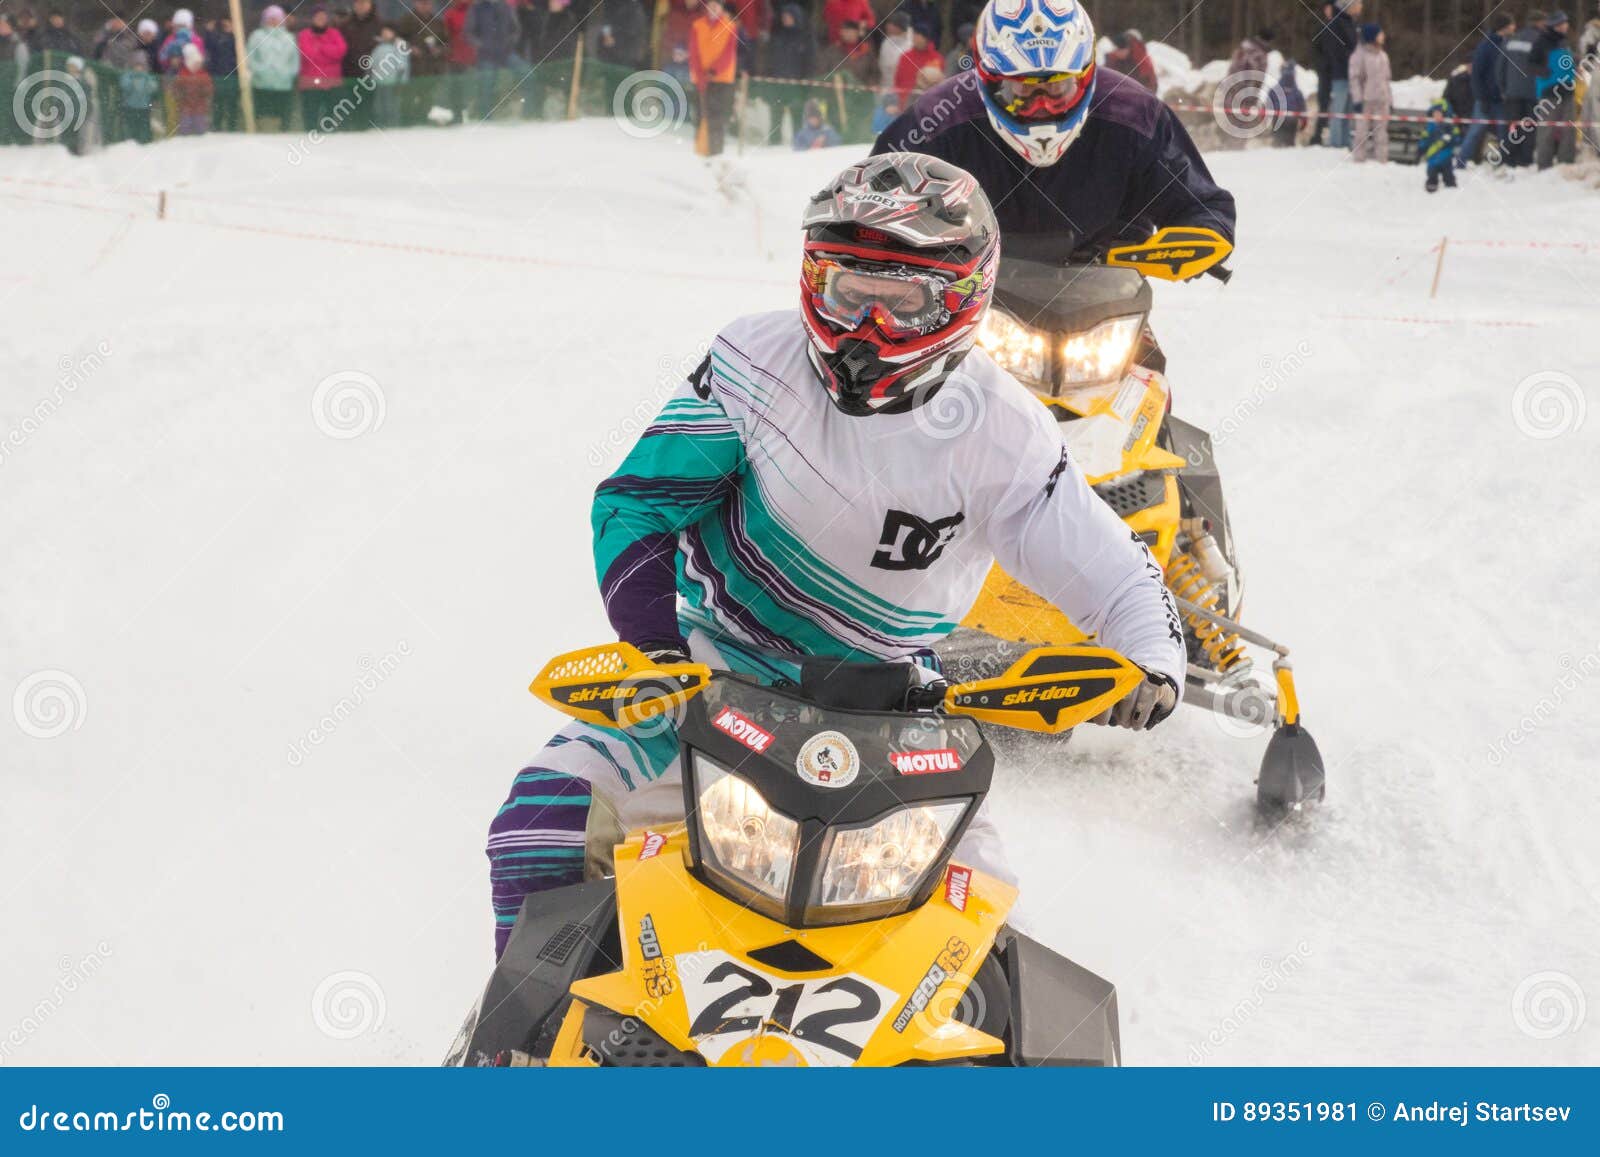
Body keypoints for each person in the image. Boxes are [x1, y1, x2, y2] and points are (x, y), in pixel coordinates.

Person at [484, 152, 1186, 956]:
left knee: (989, 956)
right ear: (813, 281)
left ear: (964, 299)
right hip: (716, 687)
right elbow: (638, 501)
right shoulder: (753, 361)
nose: (868, 331)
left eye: (902, 303)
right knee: (535, 828)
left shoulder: (1004, 428)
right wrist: (655, 650)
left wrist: (1154, 661)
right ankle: (516, 1066)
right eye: (849, 294)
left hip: (896, 721)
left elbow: (1112, 566)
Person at [873, 0, 1235, 260]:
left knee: (1147, 369)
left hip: (1107, 298)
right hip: (974, 301)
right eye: (1023, 91)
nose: (1041, 105)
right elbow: (876, 197)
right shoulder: (937, 120)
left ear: (1086, 77)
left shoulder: (1133, 115)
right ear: (987, 81)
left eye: (1058, 88)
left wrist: (1202, 232)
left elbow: (1199, 200)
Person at [1463, 13, 1515, 166]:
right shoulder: (1486, 46)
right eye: (1511, 24)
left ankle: (1502, 162)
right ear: (1504, 27)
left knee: (1503, 133)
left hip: (1501, 99)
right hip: (1486, 98)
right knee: (1475, 132)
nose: (1514, 27)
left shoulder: (1507, 45)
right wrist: (1481, 97)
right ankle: (1460, 162)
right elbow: (1477, 75)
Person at [689, 0, 738, 156]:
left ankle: (716, 152)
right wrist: (698, 73)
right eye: (710, 5)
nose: (713, 8)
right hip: (701, 78)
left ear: (721, 8)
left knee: (716, 118)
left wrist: (713, 71)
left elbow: (728, 55)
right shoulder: (697, 25)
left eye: (716, 5)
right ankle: (701, 150)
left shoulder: (730, 27)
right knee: (700, 115)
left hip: (721, 79)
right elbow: (694, 52)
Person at [1498, 11, 1546, 167]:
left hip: (1512, 92)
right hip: (1532, 92)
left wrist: (1504, 88)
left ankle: (1507, 159)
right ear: (1540, 23)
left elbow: (1500, 67)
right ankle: (1525, 160)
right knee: (1529, 127)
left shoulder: (1511, 40)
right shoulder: (1541, 40)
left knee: (1512, 127)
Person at [1533, 10, 1577, 167]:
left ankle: (1567, 162)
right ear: (1556, 26)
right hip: (1549, 92)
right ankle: (1544, 164)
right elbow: (1531, 64)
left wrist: (1576, 66)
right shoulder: (1541, 42)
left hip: (1568, 91)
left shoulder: (1565, 42)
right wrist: (1544, 72)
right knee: (1547, 129)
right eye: (1563, 23)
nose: (1566, 26)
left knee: (1568, 128)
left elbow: (1570, 61)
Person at [1314, 0, 1361, 148]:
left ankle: (1345, 141)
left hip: (1350, 74)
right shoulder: (1337, 24)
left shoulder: (1350, 23)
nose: (1360, 7)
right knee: (1338, 110)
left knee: (1347, 111)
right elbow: (1336, 51)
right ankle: (1335, 142)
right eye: (1358, 4)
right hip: (1339, 74)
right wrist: (1353, 60)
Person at [247, 6, 300, 131]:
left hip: (283, 85)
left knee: (283, 117)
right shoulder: (256, 36)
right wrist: (260, 71)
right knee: (263, 116)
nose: (273, 21)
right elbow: (249, 57)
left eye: (276, 18)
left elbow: (295, 60)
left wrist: (289, 74)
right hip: (261, 84)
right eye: (270, 18)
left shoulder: (289, 38)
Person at [467, 0, 522, 120]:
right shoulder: (476, 9)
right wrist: (482, 45)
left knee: (527, 74)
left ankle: (529, 112)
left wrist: (509, 43)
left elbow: (516, 30)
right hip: (486, 56)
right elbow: (469, 33)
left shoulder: (506, 7)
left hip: (506, 53)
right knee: (486, 86)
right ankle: (485, 118)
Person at [298, 5, 348, 129]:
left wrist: (321, 48)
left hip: (332, 82)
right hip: (310, 83)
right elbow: (308, 54)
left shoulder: (335, 33)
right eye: (318, 16)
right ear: (312, 19)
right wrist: (328, 52)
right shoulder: (304, 35)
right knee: (311, 114)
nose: (321, 19)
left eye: (323, 16)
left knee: (331, 114)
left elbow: (341, 51)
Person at [1348, 23, 1391, 163]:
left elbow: (1387, 80)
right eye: (1380, 34)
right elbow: (1354, 79)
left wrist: (1390, 100)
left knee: (1381, 134)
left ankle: (1381, 160)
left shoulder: (1383, 56)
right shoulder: (1360, 55)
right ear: (1372, 36)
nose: (1383, 36)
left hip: (1382, 100)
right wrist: (1357, 99)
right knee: (1361, 132)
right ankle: (1359, 159)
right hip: (1366, 101)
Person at [202, 16, 239, 132]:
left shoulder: (236, 37)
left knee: (232, 103)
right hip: (218, 75)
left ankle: (232, 126)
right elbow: (210, 47)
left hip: (233, 74)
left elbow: (237, 49)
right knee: (218, 102)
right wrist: (209, 32)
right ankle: (217, 126)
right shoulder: (217, 37)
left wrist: (233, 33)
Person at [369, 24, 409, 126]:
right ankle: (380, 123)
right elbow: (372, 63)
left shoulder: (398, 46)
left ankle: (393, 123)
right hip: (379, 82)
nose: (385, 35)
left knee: (392, 104)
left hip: (393, 82)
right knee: (379, 105)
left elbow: (402, 64)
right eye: (383, 33)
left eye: (388, 32)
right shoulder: (378, 48)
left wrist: (400, 80)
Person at [116, 52, 160, 142]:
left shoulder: (148, 77)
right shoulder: (128, 76)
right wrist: (132, 82)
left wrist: (146, 80)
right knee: (131, 127)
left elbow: (152, 88)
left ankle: (145, 142)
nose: (138, 68)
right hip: (130, 107)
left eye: (141, 65)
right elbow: (124, 86)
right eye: (136, 65)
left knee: (144, 127)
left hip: (144, 107)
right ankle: (131, 142)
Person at [172, 40, 213, 134]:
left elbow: (209, 88)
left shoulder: (204, 75)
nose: (198, 66)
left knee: (200, 128)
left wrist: (205, 91)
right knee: (185, 128)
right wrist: (181, 96)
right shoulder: (182, 74)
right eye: (195, 63)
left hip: (199, 107)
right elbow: (176, 89)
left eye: (199, 64)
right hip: (185, 107)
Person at [894, 24, 943, 101]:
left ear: (926, 38)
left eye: (918, 35)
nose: (915, 37)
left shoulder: (936, 58)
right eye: (914, 34)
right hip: (906, 101)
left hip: (929, 101)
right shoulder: (905, 57)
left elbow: (939, 82)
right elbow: (898, 80)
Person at [818, 19, 873, 87]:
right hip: (836, 91)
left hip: (860, 92)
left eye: (848, 31)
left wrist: (867, 87)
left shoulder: (866, 52)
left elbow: (874, 73)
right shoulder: (833, 50)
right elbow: (822, 71)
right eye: (843, 31)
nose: (845, 34)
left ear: (857, 33)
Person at [1419, 98, 1460, 190]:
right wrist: (1422, 146)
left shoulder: (1450, 126)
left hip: (1446, 155)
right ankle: (1432, 182)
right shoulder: (1430, 126)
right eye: (1434, 113)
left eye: (1439, 113)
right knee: (1432, 171)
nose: (1436, 116)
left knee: (1448, 172)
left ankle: (1450, 182)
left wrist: (1453, 140)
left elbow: (1457, 138)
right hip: (1433, 155)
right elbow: (1425, 139)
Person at [768, 3, 813, 80]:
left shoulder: (806, 38)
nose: (785, 19)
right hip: (779, 79)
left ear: (796, 17)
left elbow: (810, 62)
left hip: (798, 81)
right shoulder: (779, 37)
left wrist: (806, 80)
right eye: (783, 17)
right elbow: (772, 59)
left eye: (788, 16)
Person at [1104, 30, 1157, 94]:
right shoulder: (1113, 58)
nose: (1116, 52)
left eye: (1119, 50)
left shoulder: (1141, 60)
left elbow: (1151, 83)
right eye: (1115, 50)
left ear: (1127, 49)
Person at [1273, 59, 1306, 146]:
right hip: (1292, 119)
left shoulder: (1275, 89)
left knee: (1277, 142)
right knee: (1289, 143)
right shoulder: (1297, 91)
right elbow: (1302, 105)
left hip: (1278, 119)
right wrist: (1304, 119)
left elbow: (1268, 103)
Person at [878, 11, 913, 89]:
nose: (887, 26)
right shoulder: (886, 42)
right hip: (886, 86)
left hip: (904, 87)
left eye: (892, 24)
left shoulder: (911, 43)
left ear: (899, 27)